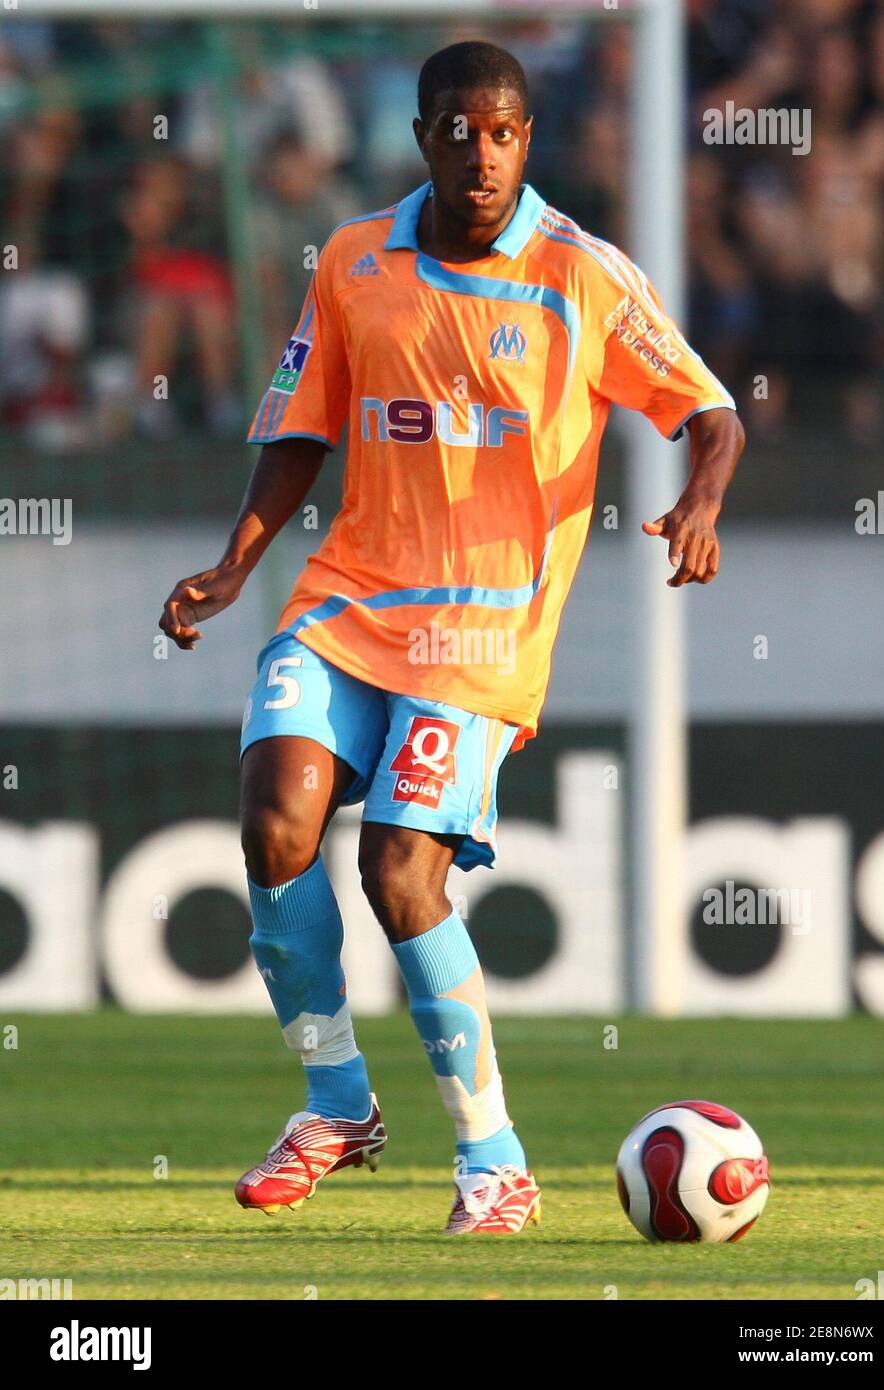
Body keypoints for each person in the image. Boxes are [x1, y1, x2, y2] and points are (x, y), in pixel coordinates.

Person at [159, 40, 745, 1236]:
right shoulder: (353, 258)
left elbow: (708, 407)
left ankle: (495, 1160)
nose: (480, 154)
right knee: (274, 819)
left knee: (396, 871)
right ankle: (336, 1105)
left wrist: (699, 497)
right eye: (456, 131)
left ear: (525, 140)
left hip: (484, 629)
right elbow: (301, 428)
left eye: (503, 132)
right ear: (421, 139)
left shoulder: (579, 274)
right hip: (347, 595)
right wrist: (234, 564)